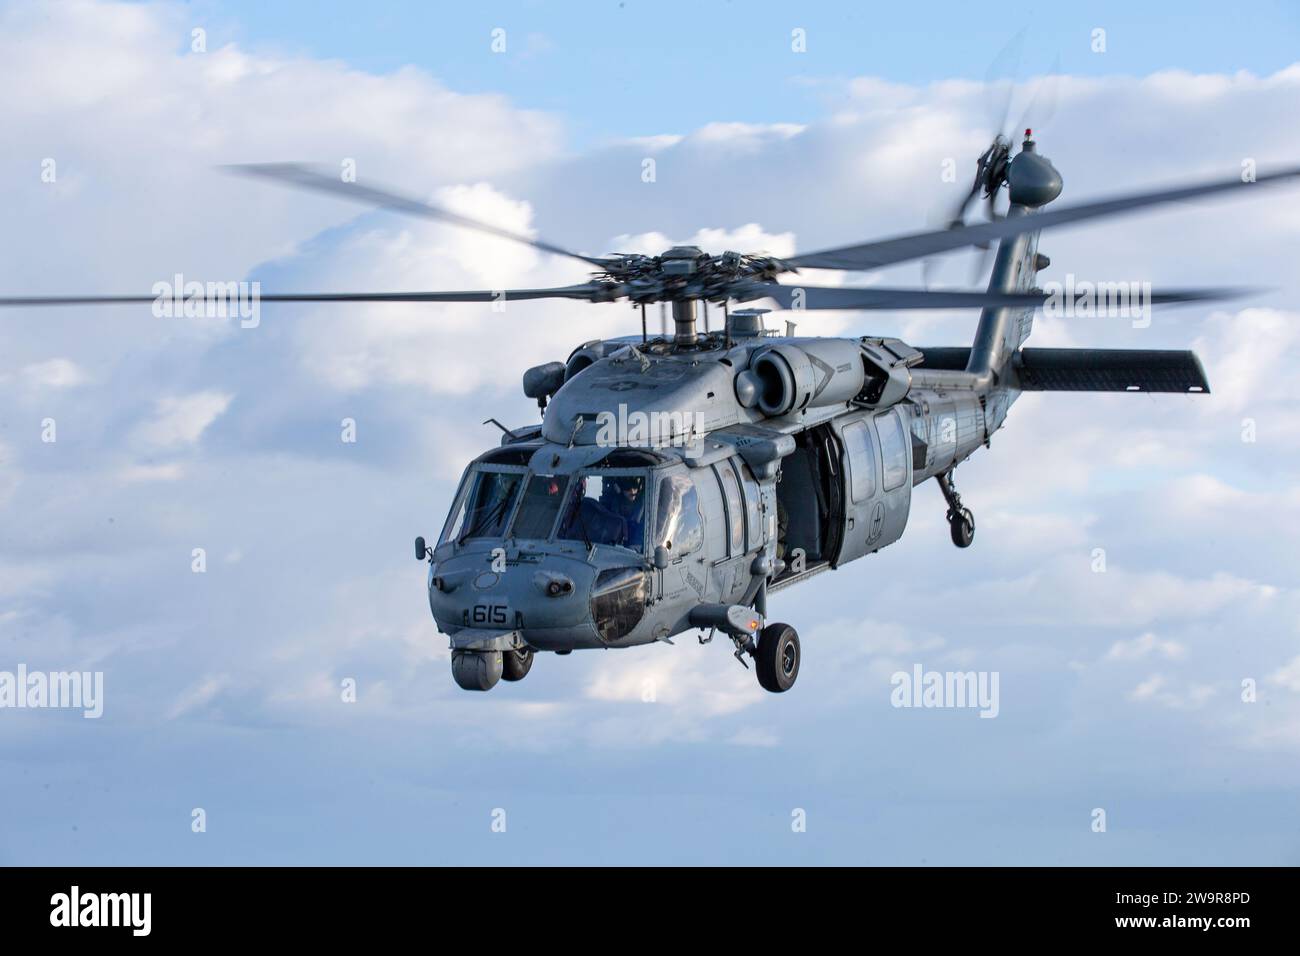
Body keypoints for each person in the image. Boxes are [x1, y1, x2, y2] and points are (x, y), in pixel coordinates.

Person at [600, 476, 646, 550]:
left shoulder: (643, 507)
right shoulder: (614, 505)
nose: (632, 490)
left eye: (635, 486)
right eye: (627, 487)